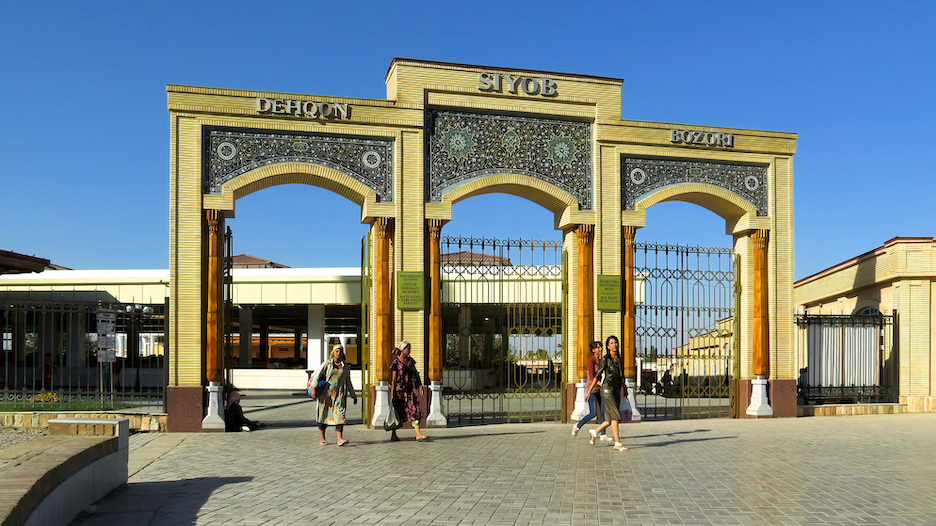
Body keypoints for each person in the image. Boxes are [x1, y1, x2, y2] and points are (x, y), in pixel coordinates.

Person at [588, 335, 629, 452]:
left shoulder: (620, 359)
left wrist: (624, 388)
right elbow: (597, 376)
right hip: (607, 389)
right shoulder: (605, 359)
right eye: (611, 343)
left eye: (616, 343)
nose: (614, 345)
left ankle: (595, 432)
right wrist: (589, 391)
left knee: (611, 419)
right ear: (608, 346)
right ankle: (617, 443)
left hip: (616, 390)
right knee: (615, 416)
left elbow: (621, 375)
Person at [314, 344, 357, 446]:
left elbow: (348, 382)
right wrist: (313, 388)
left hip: (339, 395)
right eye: (336, 351)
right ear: (333, 353)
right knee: (323, 415)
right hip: (326, 395)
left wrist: (353, 395)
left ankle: (339, 439)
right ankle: (322, 438)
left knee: (340, 415)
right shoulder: (327, 364)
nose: (338, 353)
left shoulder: (345, 367)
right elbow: (317, 376)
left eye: (340, 351)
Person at [389, 341, 429, 442]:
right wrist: (392, 394)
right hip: (399, 392)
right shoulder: (396, 363)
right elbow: (393, 380)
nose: (409, 350)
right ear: (403, 350)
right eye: (407, 349)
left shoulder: (410, 361)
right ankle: (393, 433)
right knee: (397, 412)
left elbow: (416, 373)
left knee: (414, 410)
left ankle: (418, 433)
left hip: (409, 390)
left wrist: (419, 385)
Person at [572, 341, 609, 441]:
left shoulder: (601, 361)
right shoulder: (591, 361)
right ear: (593, 350)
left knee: (603, 412)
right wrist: (589, 391)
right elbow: (592, 377)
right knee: (592, 413)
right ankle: (577, 426)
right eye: (597, 348)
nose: (599, 349)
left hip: (600, 390)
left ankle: (603, 434)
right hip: (592, 390)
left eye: (600, 347)